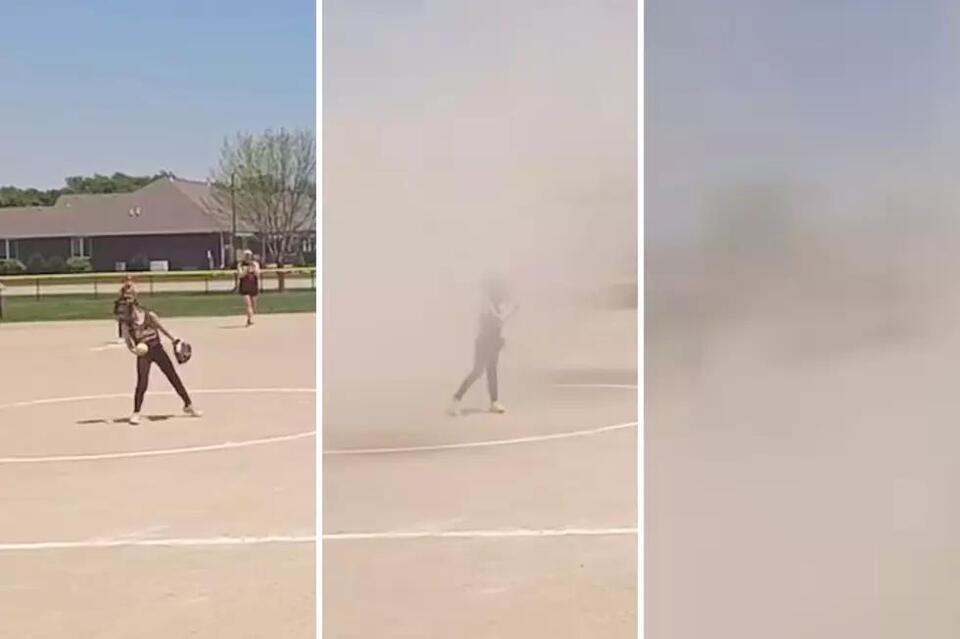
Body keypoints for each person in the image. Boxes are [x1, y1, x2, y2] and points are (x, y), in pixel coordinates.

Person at [118, 297, 202, 425]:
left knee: (172, 376)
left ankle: (188, 405)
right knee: (142, 382)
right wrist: (135, 350)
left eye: (124, 311)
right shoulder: (126, 324)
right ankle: (136, 412)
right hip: (144, 354)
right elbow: (129, 342)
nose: (123, 315)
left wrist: (174, 340)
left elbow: (163, 329)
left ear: (133, 308)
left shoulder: (149, 316)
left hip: (157, 349)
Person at [449, 276, 518, 416]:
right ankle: (456, 398)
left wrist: (500, 340)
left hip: (492, 343)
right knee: (477, 371)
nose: (503, 297)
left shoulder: (496, 305)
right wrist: (513, 311)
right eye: (500, 294)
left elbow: (499, 324)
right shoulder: (487, 305)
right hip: (483, 342)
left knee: (492, 372)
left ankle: (494, 402)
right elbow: (498, 321)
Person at [237, 250, 261, 327]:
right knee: (248, 304)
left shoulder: (255, 264)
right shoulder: (240, 264)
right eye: (246, 255)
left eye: (249, 255)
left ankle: (250, 318)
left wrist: (254, 270)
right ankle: (249, 320)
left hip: (253, 286)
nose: (247, 257)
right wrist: (246, 271)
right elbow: (240, 275)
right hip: (244, 286)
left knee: (253, 305)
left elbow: (258, 274)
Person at [113, 275, 137, 343]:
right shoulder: (122, 289)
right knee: (121, 321)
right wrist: (117, 307)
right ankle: (121, 336)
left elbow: (134, 298)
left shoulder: (133, 289)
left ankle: (132, 335)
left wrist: (131, 301)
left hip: (131, 307)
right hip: (123, 307)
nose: (128, 282)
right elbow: (119, 298)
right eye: (127, 280)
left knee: (132, 321)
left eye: (129, 280)